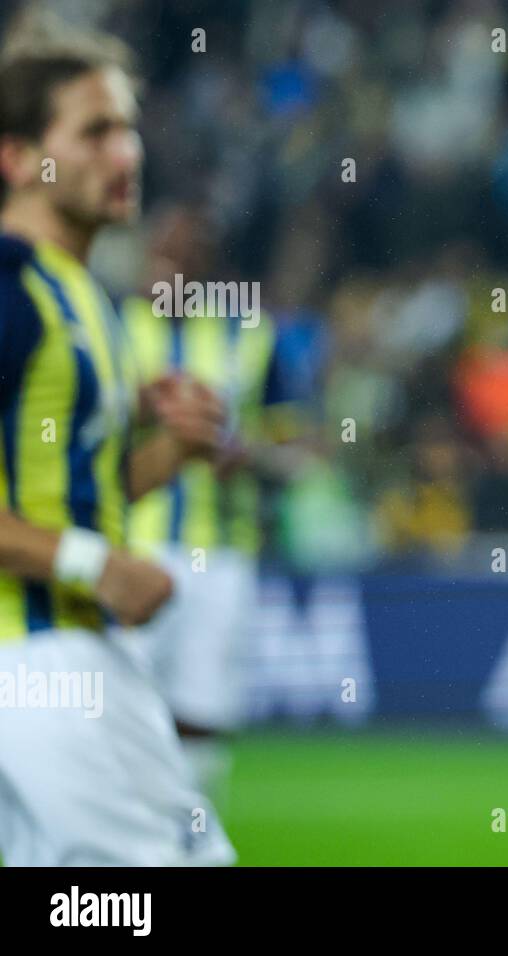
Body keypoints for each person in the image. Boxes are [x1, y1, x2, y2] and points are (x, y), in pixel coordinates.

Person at [0, 22, 234, 865]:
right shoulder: (10, 290)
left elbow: (69, 493)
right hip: (38, 659)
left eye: (128, 129)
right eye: (94, 131)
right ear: (18, 158)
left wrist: (174, 454)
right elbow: (72, 536)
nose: (124, 152)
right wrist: (97, 566)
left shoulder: (84, 295)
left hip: (72, 657)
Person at [117, 202, 307, 803]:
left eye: (185, 255)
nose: (170, 268)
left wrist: (252, 455)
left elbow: (297, 450)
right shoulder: (111, 325)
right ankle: (130, 831)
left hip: (222, 553)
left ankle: (189, 831)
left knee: (202, 711)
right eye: (163, 252)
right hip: (131, 546)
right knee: (120, 707)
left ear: (209, 266)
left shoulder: (251, 336)